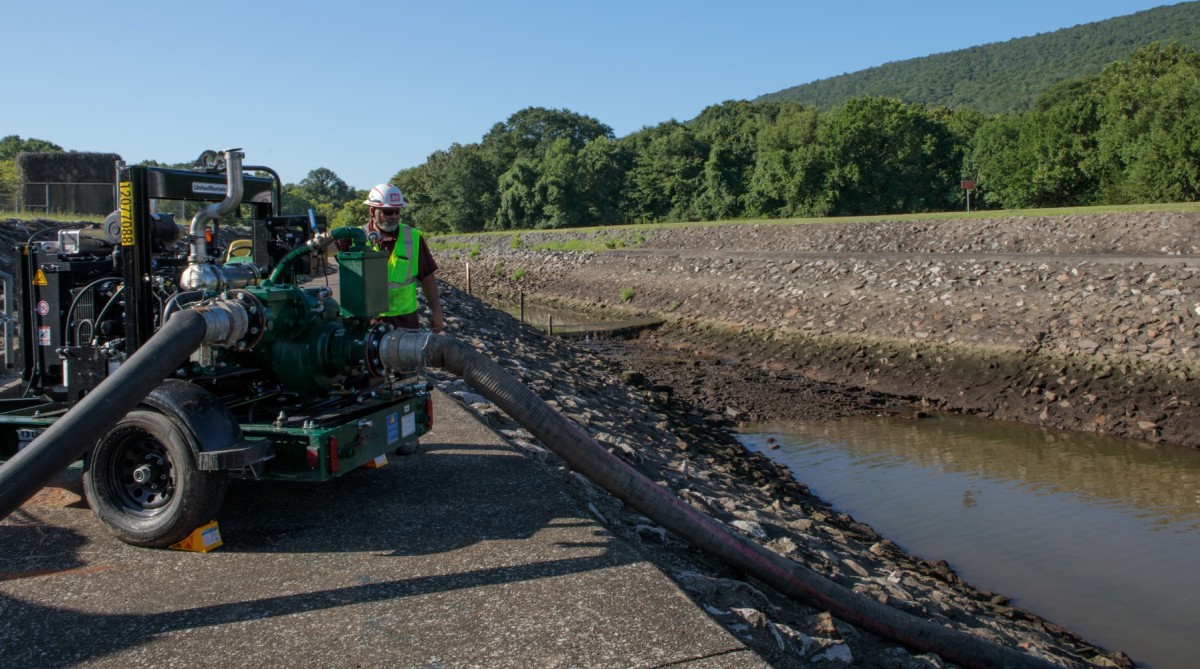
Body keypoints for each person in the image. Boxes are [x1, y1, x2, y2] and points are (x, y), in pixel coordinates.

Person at [355, 183, 444, 333]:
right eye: (388, 212)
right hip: (369, 321)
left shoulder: (413, 237)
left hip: (405, 320)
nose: (394, 217)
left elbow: (427, 276)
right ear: (372, 210)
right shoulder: (355, 236)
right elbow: (327, 248)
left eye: (397, 211)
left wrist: (437, 310)